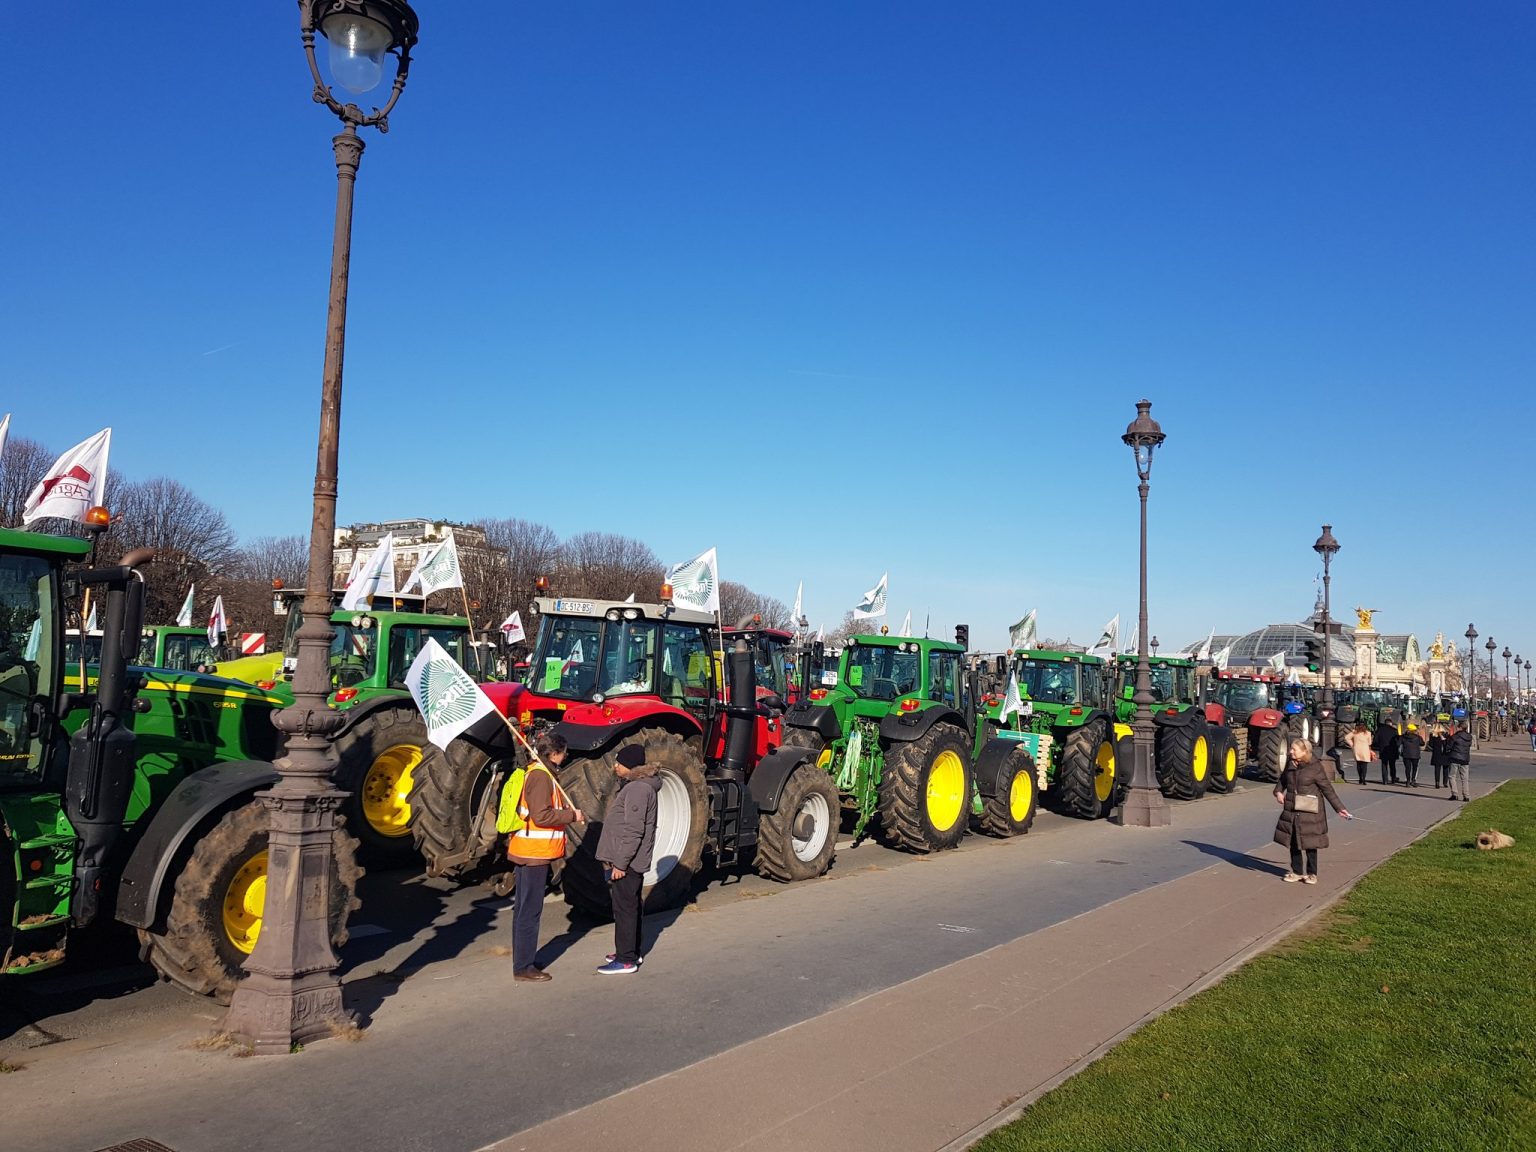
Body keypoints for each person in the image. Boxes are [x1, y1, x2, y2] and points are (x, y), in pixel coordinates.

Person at [507, 732, 583, 982]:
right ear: (553, 754)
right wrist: (572, 816)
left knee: (523, 908)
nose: (565, 756)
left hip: (529, 850)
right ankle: (524, 966)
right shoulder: (541, 777)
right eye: (563, 752)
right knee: (529, 910)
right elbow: (542, 816)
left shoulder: (537, 772)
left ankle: (524, 959)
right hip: (534, 853)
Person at [595, 743, 662, 975]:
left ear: (631, 766)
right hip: (631, 861)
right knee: (631, 906)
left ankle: (625, 959)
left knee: (625, 908)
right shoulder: (638, 787)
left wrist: (620, 864)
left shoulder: (637, 790)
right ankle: (631, 951)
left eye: (619, 762)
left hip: (628, 863)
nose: (615, 766)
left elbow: (634, 831)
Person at [1273, 737, 1351, 884]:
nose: (1291, 752)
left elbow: (1327, 789)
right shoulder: (1291, 764)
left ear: (1304, 752)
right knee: (1294, 841)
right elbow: (1283, 780)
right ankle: (1296, 872)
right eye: (1291, 749)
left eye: (1294, 749)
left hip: (1310, 811)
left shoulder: (1315, 767)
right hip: (1292, 808)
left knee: (1310, 842)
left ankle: (1312, 873)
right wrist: (1278, 792)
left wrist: (1339, 808)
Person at [1447, 721, 1473, 802]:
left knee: (1452, 776)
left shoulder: (1455, 736)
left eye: (1457, 727)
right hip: (1465, 759)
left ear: (1460, 727)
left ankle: (1454, 794)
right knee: (1465, 778)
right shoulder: (1469, 737)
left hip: (1455, 758)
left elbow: (1448, 746)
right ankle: (1466, 796)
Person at [1372, 718, 1400, 785]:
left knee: (1384, 765)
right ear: (1391, 723)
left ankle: (1385, 780)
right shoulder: (1394, 731)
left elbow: (1375, 740)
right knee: (1392, 765)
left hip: (1383, 750)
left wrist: (1378, 746)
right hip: (1393, 750)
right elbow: (1398, 741)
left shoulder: (1379, 730)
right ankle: (1393, 778)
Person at [1348, 721, 1374, 786]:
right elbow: (1369, 743)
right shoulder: (1368, 733)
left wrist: (1352, 744)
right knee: (1364, 766)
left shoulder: (1354, 732)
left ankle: (1360, 778)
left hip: (1357, 749)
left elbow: (1347, 738)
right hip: (1365, 750)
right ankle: (1364, 779)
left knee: (1359, 764)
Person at [1399, 722, 1424, 787]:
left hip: (1406, 754)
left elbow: (1398, 743)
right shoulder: (1418, 737)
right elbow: (1422, 743)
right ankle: (1413, 780)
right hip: (1415, 755)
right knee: (1414, 768)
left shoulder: (1403, 737)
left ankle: (1408, 781)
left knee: (1407, 768)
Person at [1427, 723, 1450, 790]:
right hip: (1445, 753)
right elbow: (1448, 743)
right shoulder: (1445, 734)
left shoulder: (1432, 735)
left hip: (1436, 753)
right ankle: (1445, 782)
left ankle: (1437, 782)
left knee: (1437, 769)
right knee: (1446, 768)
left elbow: (1431, 744)